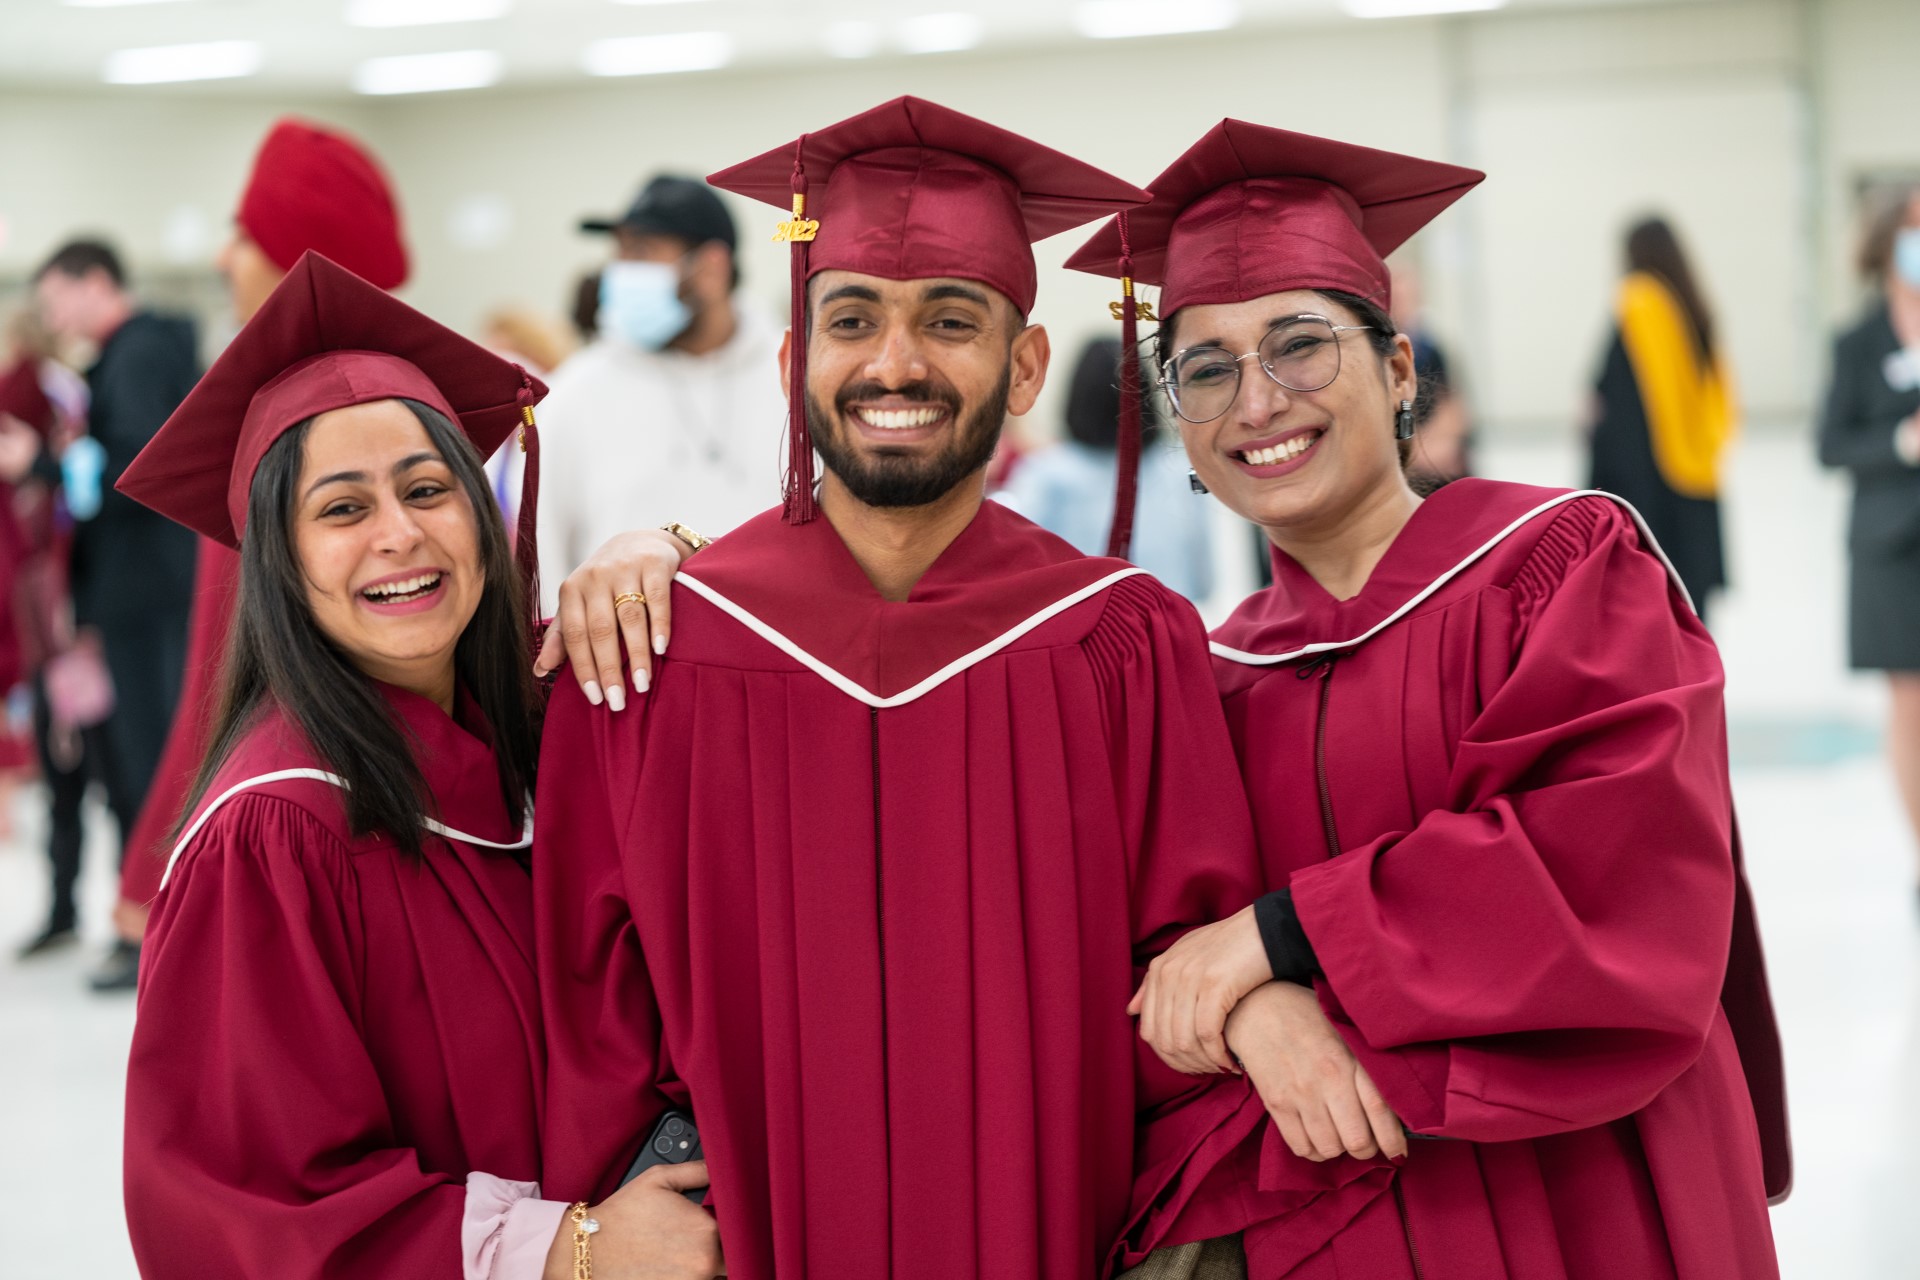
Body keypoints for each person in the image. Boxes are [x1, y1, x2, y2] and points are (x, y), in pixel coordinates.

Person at [527, 97, 1266, 1279]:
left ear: (1024, 366)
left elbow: (1186, 992)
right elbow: (589, 1025)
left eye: (952, 320)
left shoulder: (1119, 644)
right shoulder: (655, 657)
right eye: (852, 318)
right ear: (793, 360)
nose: (895, 363)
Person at [1064, 121, 1788, 1276]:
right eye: (1206, 369)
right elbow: (1149, 956)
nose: (1257, 401)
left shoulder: (1560, 564)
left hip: (1591, 1188)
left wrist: (1280, 935)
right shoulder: (1207, 678)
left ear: (1400, 370)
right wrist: (1250, 1008)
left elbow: (1612, 862)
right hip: (1342, 1221)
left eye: (1300, 347)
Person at [118, 253, 719, 1280]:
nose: (401, 534)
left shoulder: (543, 724)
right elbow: (247, 1209)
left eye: (429, 487)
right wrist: (570, 1250)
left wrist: (665, 550)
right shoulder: (273, 836)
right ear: (281, 559)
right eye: (342, 509)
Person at [108, 116, 417, 982]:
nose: (222, 257)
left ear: (295, 254)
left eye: (243, 232)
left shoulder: (282, 429)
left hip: (308, 823)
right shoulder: (412, 406)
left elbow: (223, 674)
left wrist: (155, 859)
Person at [30, 238, 199, 990]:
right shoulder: (135, 354)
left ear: (94, 282)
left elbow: (132, 460)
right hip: (143, 592)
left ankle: (157, 928)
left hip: (147, 594)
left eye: (55, 297)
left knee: (151, 759)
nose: (51, 315)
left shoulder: (136, 355)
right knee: (135, 759)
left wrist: (41, 465)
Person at [535, 174, 787, 607]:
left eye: (642, 253)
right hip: (624, 660)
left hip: (779, 646)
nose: (621, 274)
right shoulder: (574, 393)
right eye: (620, 255)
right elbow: (543, 550)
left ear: (711, 267)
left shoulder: (793, 375)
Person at [1818, 184, 1920, 906]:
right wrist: (1900, 443)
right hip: (1890, 548)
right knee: (1910, 705)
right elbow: (1829, 445)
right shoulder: (1857, 343)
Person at [1587, 215, 1737, 622]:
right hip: (1696, 473)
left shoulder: (1636, 302)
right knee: (1692, 605)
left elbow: (1610, 393)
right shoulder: (1693, 305)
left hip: (1648, 484)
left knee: (1650, 603)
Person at [996, 336, 1213, 601]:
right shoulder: (1178, 466)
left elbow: (1019, 563)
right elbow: (1205, 567)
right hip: (1174, 618)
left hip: (1082, 627)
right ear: (1143, 397)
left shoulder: (1046, 472)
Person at [1387, 256, 1472, 488]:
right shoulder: (1380, 351)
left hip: (1437, 449)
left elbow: (1452, 402)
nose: (1401, 300)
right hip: (1404, 452)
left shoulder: (1430, 345)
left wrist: (1445, 442)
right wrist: (1416, 451)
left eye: (1406, 294)